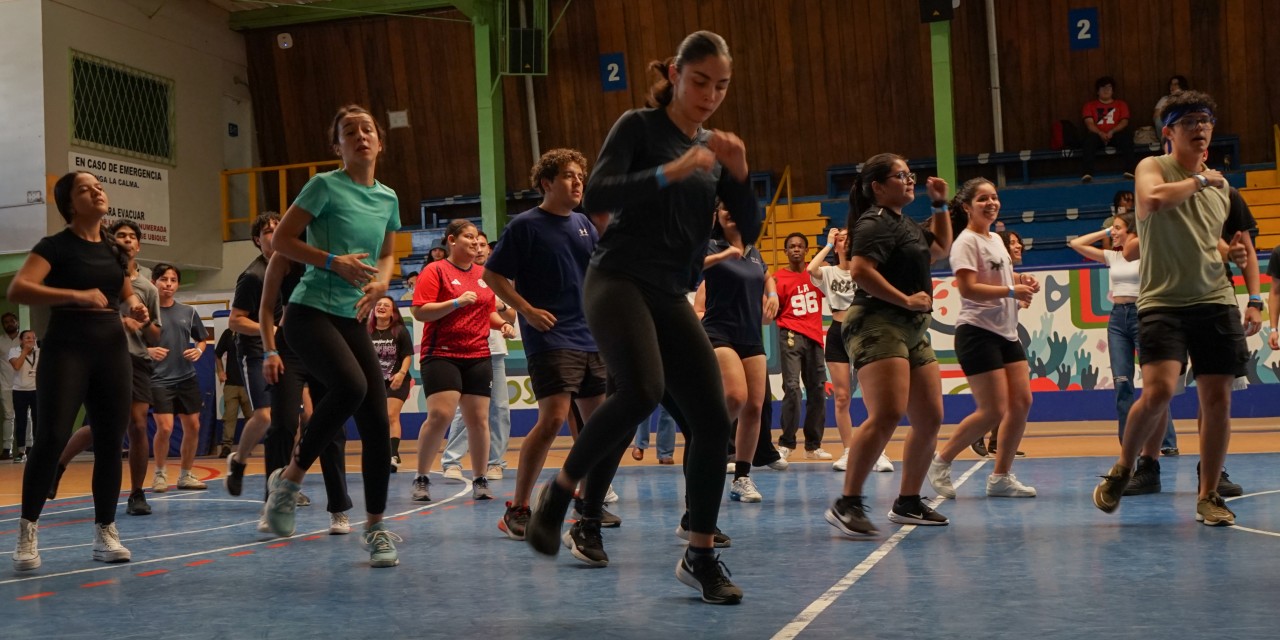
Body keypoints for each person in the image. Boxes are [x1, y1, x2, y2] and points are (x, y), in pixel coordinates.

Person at [523, 31, 757, 604]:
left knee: (710, 419)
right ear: (676, 73)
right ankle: (560, 494)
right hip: (617, 277)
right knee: (642, 391)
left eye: (721, 86)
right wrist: (669, 172)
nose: (709, 95)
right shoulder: (638, 126)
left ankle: (699, 556)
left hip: (670, 291)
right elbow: (598, 190)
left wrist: (742, 173)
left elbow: (748, 232)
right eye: (700, 81)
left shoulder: (714, 150)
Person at [1092, 90, 1258, 526]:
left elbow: (1210, 240)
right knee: (1160, 391)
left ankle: (1208, 496)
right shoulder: (1154, 169)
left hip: (1215, 301)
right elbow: (1153, 202)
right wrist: (1204, 180)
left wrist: (1234, 257)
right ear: (1169, 132)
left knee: (1217, 398)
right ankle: (1125, 466)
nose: (1200, 129)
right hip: (1163, 301)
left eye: (1206, 121)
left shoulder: (1223, 191)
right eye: (1190, 122)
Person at [265, 104, 401, 566]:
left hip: (350, 316)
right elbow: (281, 241)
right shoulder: (324, 185)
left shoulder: (388, 197)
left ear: (379, 142)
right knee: (352, 386)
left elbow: (387, 254)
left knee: (378, 425)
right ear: (336, 146)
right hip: (307, 312)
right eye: (349, 131)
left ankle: (376, 527)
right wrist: (330, 261)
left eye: (368, 129)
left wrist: (382, 282)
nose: (360, 135)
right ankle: (290, 481)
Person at [9, 170, 147, 570]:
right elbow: (20, 287)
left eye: (99, 187)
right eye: (86, 189)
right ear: (71, 203)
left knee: (109, 439)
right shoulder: (55, 246)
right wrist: (75, 294)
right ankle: (28, 530)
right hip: (67, 347)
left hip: (110, 348)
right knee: (52, 436)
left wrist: (134, 304)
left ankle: (105, 530)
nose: (97, 191)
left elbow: (123, 292)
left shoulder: (112, 249)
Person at [482, 149, 610, 546]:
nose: (577, 183)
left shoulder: (585, 225)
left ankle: (588, 502)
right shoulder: (525, 226)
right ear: (546, 183)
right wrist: (526, 310)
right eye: (569, 176)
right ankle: (518, 508)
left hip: (591, 336)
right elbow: (492, 274)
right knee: (554, 419)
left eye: (580, 177)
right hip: (551, 335)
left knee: (600, 425)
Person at [824, 153, 951, 537]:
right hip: (878, 323)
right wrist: (907, 300)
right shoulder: (874, 222)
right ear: (878, 187)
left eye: (910, 174)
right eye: (900, 175)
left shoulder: (904, 223)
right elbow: (861, 271)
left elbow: (939, 249)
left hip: (911, 328)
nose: (909, 180)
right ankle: (847, 503)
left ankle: (908, 501)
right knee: (887, 413)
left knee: (930, 416)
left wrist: (941, 205)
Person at [927, 178, 1039, 501]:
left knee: (1021, 402)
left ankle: (1001, 476)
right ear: (966, 206)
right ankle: (941, 460)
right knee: (992, 410)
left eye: (994, 197)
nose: (991, 203)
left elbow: (1001, 276)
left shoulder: (996, 240)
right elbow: (968, 288)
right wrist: (1010, 290)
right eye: (982, 199)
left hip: (1006, 332)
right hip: (977, 333)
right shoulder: (965, 243)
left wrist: (1021, 279)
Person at [48, 220, 164, 514]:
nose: (126, 240)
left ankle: (137, 493)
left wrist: (143, 321)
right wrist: (116, 320)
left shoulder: (148, 288)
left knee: (137, 425)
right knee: (98, 427)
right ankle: (57, 465)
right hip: (99, 355)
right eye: (121, 235)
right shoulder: (100, 278)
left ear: (138, 245)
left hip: (135, 360)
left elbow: (155, 334)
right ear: (114, 243)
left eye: (132, 236)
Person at [409, 219, 514, 503]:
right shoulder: (436, 270)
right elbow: (420, 312)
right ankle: (421, 477)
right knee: (441, 415)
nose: (476, 244)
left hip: (478, 354)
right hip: (441, 353)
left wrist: (501, 324)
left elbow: (486, 313)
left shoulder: (484, 275)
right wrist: (455, 303)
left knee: (478, 420)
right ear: (452, 241)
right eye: (469, 238)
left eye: (479, 241)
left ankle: (480, 479)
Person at [1068, 212, 1178, 469]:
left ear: (1132, 231)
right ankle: (1129, 444)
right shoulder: (1113, 256)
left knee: (1155, 384)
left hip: (1143, 315)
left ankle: (1167, 441)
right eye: (1111, 229)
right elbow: (1076, 244)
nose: (1112, 232)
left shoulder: (1147, 253)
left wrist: (1128, 230)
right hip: (1118, 320)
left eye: (1117, 228)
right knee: (1122, 383)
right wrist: (1107, 232)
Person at [259, 245, 355, 535]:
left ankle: (339, 509)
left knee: (331, 429)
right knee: (283, 425)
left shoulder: (339, 254)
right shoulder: (286, 255)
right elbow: (265, 309)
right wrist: (269, 352)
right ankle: (274, 503)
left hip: (326, 346)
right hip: (289, 348)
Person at [695, 200, 774, 504]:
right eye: (725, 207)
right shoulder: (712, 246)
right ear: (717, 214)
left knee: (755, 406)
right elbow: (691, 266)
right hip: (719, 332)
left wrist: (772, 294)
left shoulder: (754, 251)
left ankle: (742, 477)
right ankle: (704, 443)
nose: (731, 211)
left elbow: (766, 275)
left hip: (751, 335)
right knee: (736, 398)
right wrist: (725, 255)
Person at [807, 227, 894, 473]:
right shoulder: (828, 272)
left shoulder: (863, 270)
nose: (844, 242)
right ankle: (848, 451)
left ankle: (879, 452)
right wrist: (827, 243)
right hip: (837, 334)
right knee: (842, 396)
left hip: (864, 333)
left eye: (848, 239)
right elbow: (810, 269)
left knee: (871, 395)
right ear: (836, 246)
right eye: (840, 239)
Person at [440, 229, 517, 483]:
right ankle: (452, 461)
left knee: (500, 410)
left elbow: (513, 316)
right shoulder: (461, 277)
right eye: (476, 243)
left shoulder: (498, 280)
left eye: (484, 244)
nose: (480, 248)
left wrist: (501, 306)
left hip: (495, 352)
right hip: (467, 351)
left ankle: (496, 462)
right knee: (466, 413)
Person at [224, 213, 283, 498]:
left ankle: (284, 480)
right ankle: (239, 462)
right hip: (256, 351)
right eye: (267, 231)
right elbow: (235, 321)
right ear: (257, 240)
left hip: (287, 352)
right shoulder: (252, 275)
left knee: (297, 418)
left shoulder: (293, 269)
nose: (273, 234)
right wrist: (268, 329)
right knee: (264, 415)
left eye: (278, 229)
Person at [148, 264, 209, 492]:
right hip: (158, 379)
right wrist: (148, 351)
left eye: (173, 280)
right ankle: (160, 474)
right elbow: (130, 343)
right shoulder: (146, 312)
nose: (169, 284)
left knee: (193, 426)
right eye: (164, 279)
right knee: (165, 428)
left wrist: (199, 350)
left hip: (186, 377)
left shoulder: (188, 312)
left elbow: (202, 339)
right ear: (154, 281)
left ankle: (186, 474)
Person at [770, 232, 829, 461]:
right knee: (792, 388)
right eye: (791, 246)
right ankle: (787, 443)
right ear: (785, 251)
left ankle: (813, 446)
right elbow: (771, 310)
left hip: (815, 338)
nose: (796, 249)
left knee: (817, 390)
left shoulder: (817, 274)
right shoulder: (778, 278)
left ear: (806, 250)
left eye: (800, 246)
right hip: (791, 336)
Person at [368, 296, 413, 473]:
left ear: (393, 312)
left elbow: (408, 355)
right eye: (378, 304)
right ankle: (381, 453)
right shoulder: (367, 332)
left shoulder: (400, 331)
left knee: (391, 414)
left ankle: (393, 454)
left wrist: (401, 374)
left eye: (386, 305)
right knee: (378, 419)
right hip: (374, 382)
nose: (381, 307)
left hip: (397, 380)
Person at [1080, 76, 1136, 182]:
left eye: (1109, 87)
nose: (1106, 90)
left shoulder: (1121, 104)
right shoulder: (1089, 105)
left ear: (1113, 90)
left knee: (1126, 138)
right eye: (1103, 88)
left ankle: (1130, 170)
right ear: (1097, 91)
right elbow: (1089, 124)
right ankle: (1087, 173)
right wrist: (1100, 132)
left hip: (1115, 133)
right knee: (1089, 141)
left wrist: (1112, 131)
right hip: (1097, 134)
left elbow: (1124, 122)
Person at [214, 327, 250, 459]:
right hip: (231, 383)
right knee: (229, 417)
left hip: (249, 382)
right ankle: (226, 447)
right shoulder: (229, 333)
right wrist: (220, 372)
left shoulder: (251, 331)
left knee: (253, 417)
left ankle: (247, 445)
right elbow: (217, 354)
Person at [7, 330, 38, 463]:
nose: (31, 340)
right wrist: (25, 351)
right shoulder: (14, 351)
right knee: (21, 421)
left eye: (33, 338)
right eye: (27, 338)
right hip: (19, 390)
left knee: (38, 421)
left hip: (36, 390)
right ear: (21, 340)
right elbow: (17, 366)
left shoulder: (39, 351)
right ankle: (21, 451)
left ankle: (37, 450)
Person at [0, 312, 19, 460]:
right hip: (5, 384)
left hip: (24, 384)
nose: (9, 324)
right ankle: (7, 449)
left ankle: (27, 448)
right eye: (6, 322)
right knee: (8, 416)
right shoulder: (0, 341)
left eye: (11, 321)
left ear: (17, 322)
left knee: (27, 416)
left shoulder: (25, 340)